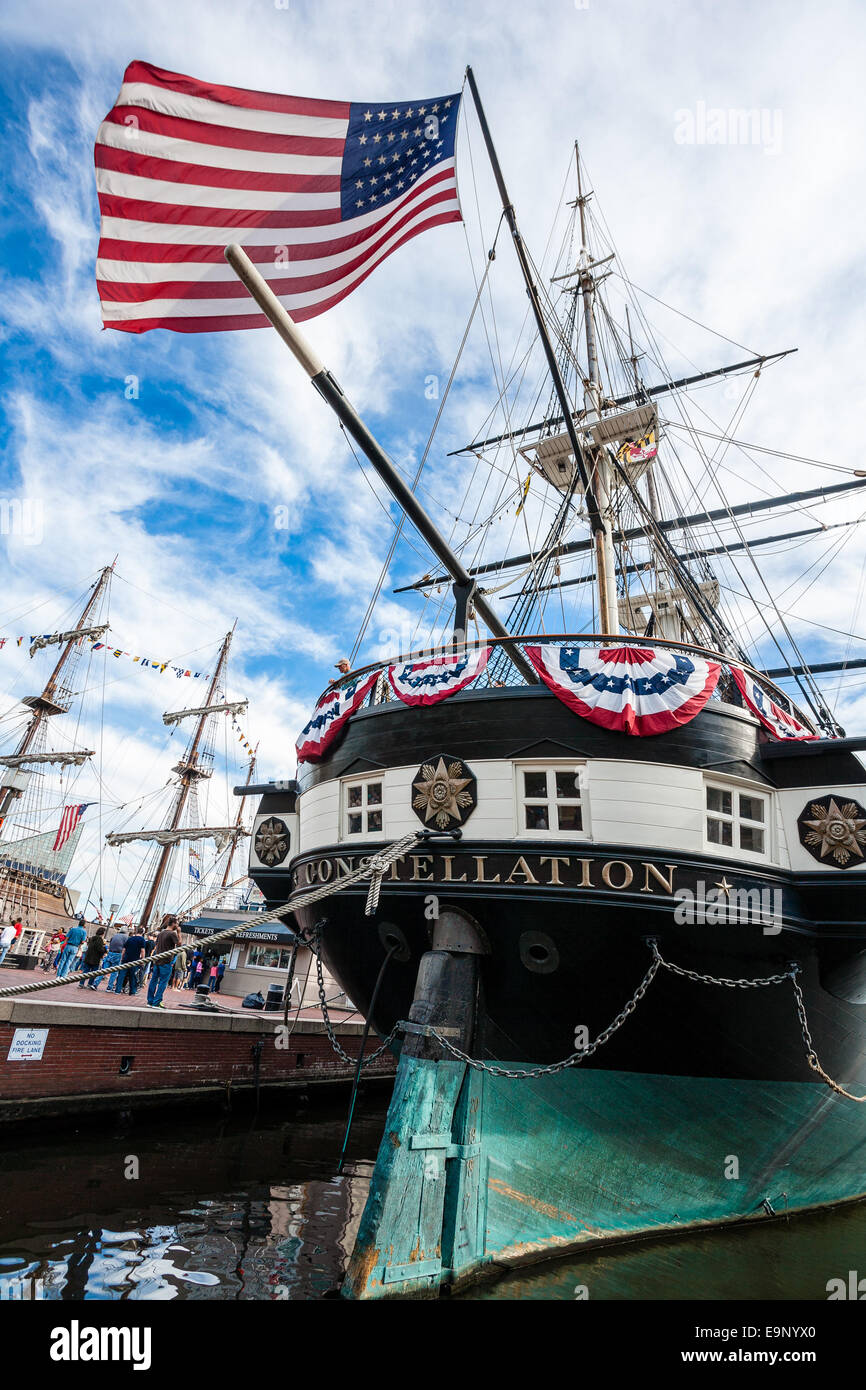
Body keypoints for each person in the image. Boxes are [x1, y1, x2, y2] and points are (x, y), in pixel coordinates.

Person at [147, 914, 179, 1009]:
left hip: (157, 960)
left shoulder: (161, 933)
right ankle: (156, 1002)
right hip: (166, 961)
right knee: (162, 982)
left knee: (153, 980)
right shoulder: (172, 933)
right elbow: (179, 944)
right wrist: (179, 932)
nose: (178, 925)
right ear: (173, 923)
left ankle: (150, 1001)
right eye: (177, 923)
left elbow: (157, 945)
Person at [115, 927, 147, 996]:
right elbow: (142, 951)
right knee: (133, 976)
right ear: (143, 933)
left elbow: (124, 949)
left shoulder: (130, 938)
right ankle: (132, 991)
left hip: (126, 959)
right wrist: (142, 960)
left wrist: (122, 957)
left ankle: (117, 990)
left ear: (136, 931)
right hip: (134, 960)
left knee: (121, 975)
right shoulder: (142, 940)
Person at [101, 926, 128, 992]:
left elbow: (110, 944)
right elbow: (125, 948)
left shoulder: (115, 936)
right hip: (118, 954)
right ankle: (109, 987)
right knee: (114, 972)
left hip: (110, 953)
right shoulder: (126, 937)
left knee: (103, 970)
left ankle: (95, 984)